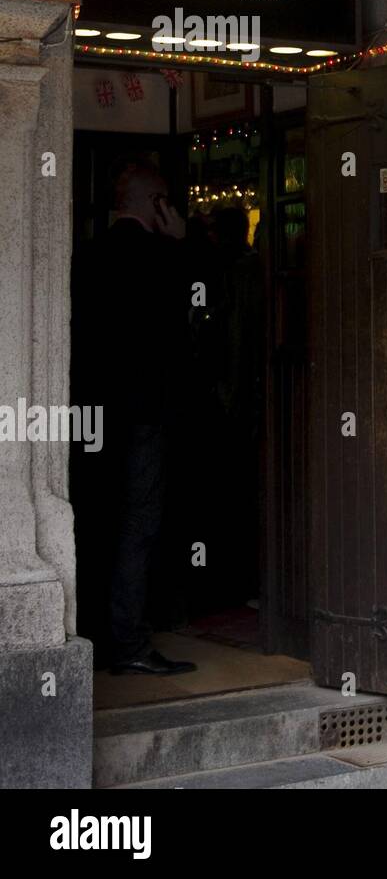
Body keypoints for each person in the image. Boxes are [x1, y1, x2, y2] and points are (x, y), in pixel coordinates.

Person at [70, 157, 197, 676]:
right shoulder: (163, 257)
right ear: (157, 204)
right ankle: (128, 642)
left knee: (93, 514)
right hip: (144, 411)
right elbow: (199, 309)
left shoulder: (87, 254)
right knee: (138, 523)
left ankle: (94, 632)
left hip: (90, 408)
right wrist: (184, 242)